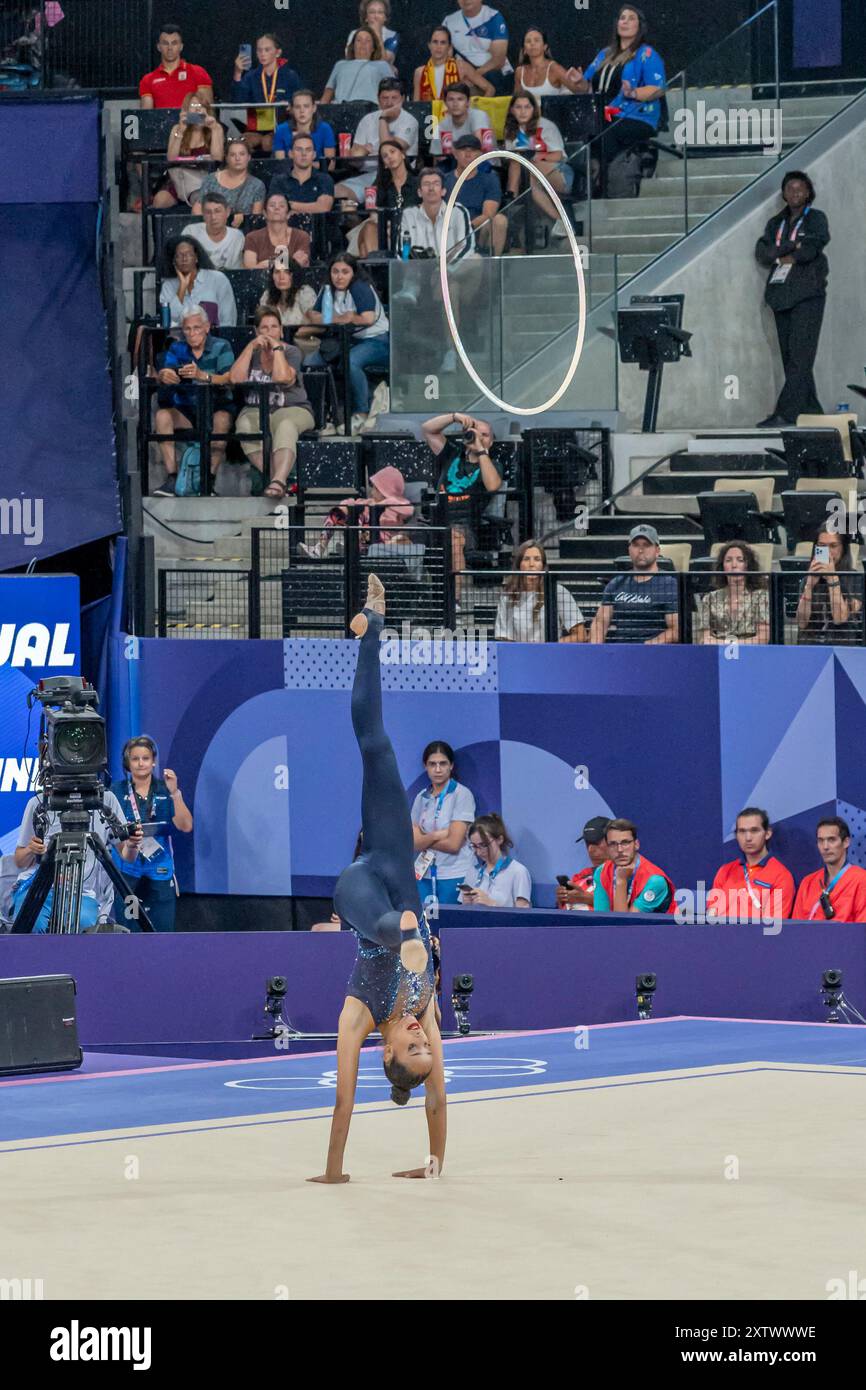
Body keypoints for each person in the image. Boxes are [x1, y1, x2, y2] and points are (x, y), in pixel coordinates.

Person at [310, 576, 446, 1183]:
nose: (421, 1038)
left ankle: (403, 931)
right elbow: (438, 1100)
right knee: (378, 746)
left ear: (386, 1052)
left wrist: (334, 1173)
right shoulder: (424, 1007)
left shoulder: (359, 1018)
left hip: (364, 896)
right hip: (396, 865)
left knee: (389, 926)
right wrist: (433, 1165)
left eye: (412, 1047)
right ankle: (373, 625)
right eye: (427, 1047)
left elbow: (343, 1103)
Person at [754, 171, 830, 427]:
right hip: (780, 296)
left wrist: (792, 250)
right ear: (784, 194)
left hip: (807, 295)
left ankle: (786, 413)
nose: (795, 193)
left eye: (800, 188)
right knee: (791, 359)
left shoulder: (815, 218)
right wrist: (789, 248)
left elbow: (812, 248)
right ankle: (811, 411)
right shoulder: (776, 222)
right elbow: (763, 252)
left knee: (801, 356)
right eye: (790, 188)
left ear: (808, 192)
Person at [11, 789, 142, 933]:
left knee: (83, 930)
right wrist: (31, 849)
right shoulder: (38, 802)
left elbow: (128, 856)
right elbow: (19, 860)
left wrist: (131, 845)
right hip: (37, 888)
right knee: (30, 928)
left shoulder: (106, 799)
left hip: (82, 892)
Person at [567, 5, 666, 195]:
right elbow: (586, 87)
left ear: (640, 26)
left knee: (605, 130)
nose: (625, 21)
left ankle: (600, 182)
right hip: (605, 116)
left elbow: (657, 88)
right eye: (622, 18)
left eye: (631, 18)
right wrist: (578, 83)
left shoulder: (646, 54)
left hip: (637, 117)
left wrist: (634, 93)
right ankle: (591, 175)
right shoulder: (605, 54)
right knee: (584, 128)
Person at [229, 307, 315, 500]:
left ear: (281, 330)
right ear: (257, 332)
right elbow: (235, 378)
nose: (269, 332)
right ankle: (276, 478)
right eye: (264, 328)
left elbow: (282, 377)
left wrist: (276, 349)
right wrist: (250, 348)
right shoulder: (250, 353)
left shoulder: (292, 352)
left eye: (274, 327)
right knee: (244, 425)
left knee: (285, 426)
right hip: (256, 409)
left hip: (293, 408)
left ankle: (278, 481)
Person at [110, 736, 193, 934]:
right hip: (128, 869)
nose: (141, 763)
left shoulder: (165, 789)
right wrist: (127, 846)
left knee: (162, 932)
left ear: (153, 761)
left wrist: (175, 792)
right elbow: (112, 833)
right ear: (127, 763)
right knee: (129, 932)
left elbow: (186, 825)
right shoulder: (116, 791)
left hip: (160, 868)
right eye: (135, 759)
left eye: (145, 758)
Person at [152, 303, 236, 497]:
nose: (192, 333)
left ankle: (208, 481)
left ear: (206, 327)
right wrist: (165, 374)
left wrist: (202, 375)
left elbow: (229, 378)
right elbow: (167, 369)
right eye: (187, 329)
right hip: (187, 409)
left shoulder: (221, 346)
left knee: (221, 421)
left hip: (217, 406)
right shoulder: (177, 348)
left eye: (196, 328)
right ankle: (172, 478)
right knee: (163, 416)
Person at [304, 253, 390, 436]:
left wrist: (333, 319)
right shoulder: (328, 289)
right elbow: (314, 316)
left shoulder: (359, 287)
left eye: (345, 272)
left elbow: (367, 318)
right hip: (343, 340)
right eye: (335, 271)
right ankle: (320, 416)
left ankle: (361, 412)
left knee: (351, 361)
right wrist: (345, 318)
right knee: (311, 363)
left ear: (353, 273)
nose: (339, 276)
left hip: (376, 340)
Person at [422, 410, 502, 580]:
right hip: (436, 521)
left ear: (492, 441)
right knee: (400, 539)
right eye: (476, 433)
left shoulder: (493, 465)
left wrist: (480, 450)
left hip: (466, 527)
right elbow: (428, 429)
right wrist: (454, 417)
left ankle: (455, 602)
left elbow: (493, 485)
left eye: (485, 435)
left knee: (454, 539)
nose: (479, 437)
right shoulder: (452, 454)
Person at [410, 740, 476, 906]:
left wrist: (425, 838)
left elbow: (454, 844)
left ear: (451, 766)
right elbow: (414, 843)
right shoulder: (421, 797)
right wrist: (438, 834)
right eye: (432, 764)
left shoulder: (462, 794)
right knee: (425, 927)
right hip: (424, 873)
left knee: (449, 927)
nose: (437, 769)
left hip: (455, 873)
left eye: (443, 764)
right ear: (425, 766)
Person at [334, 77, 419, 205]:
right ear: (378, 99)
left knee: (376, 201)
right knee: (336, 192)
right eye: (385, 98)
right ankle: (358, 222)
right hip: (368, 175)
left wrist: (383, 118)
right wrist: (361, 151)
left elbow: (388, 148)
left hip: (396, 176)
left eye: (394, 98)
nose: (389, 103)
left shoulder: (409, 121)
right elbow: (355, 156)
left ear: (402, 99)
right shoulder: (367, 120)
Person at [299, 465, 413, 560]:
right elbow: (354, 503)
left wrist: (381, 503)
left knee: (366, 520)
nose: (372, 491)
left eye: (376, 488)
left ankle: (352, 548)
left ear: (385, 490)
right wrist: (345, 507)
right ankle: (319, 548)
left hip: (381, 544)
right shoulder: (369, 501)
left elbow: (408, 510)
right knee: (338, 513)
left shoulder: (397, 505)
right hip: (362, 540)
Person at [589, 524, 679, 644]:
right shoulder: (616, 582)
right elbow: (600, 622)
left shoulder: (669, 584)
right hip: (620, 651)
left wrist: (647, 646)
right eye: (636, 545)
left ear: (657, 551)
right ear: (629, 550)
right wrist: (596, 649)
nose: (641, 550)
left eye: (646, 545)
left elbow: (676, 630)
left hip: (655, 652)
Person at [708, 807, 795, 924]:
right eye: (742, 831)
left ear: (767, 833)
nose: (748, 838)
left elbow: (771, 926)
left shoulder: (782, 876)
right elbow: (711, 915)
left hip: (755, 940)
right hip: (719, 938)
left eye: (754, 831)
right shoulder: (725, 871)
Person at [503, 92, 573, 234]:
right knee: (519, 165)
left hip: (558, 171)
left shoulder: (546, 126)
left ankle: (512, 202)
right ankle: (512, 201)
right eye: (518, 107)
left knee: (529, 165)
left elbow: (558, 155)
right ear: (512, 110)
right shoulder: (510, 130)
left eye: (527, 107)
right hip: (530, 176)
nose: (523, 112)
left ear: (534, 109)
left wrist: (535, 157)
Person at [495, 539, 585, 642]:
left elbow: (580, 635)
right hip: (520, 653)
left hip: (549, 654)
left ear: (543, 565)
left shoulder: (557, 592)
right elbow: (504, 639)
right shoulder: (508, 596)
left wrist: (552, 646)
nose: (531, 564)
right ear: (519, 565)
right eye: (526, 559)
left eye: (537, 559)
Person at [230, 32, 302, 153]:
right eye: (259, 50)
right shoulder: (251, 76)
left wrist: (291, 105)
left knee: (268, 142)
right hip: (256, 128)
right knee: (240, 143)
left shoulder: (290, 76)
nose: (262, 54)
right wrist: (237, 73)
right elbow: (238, 101)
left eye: (267, 50)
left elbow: (300, 100)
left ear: (278, 52)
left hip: (280, 126)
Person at [152, 92, 224, 209]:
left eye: (200, 106)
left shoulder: (215, 128)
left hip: (201, 180)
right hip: (179, 180)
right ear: (186, 110)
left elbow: (217, 157)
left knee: (199, 202)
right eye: (193, 106)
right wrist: (180, 132)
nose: (197, 110)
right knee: (159, 201)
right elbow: (171, 158)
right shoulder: (177, 129)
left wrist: (213, 128)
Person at [695, 540, 770, 646]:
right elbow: (704, 639)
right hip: (718, 654)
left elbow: (763, 638)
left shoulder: (761, 597)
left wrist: (727, 643)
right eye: (728, 560)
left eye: (740, 560)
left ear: (747, 565)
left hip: (751, 654)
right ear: (723, 566)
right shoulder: (710, 599)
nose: (734, 565)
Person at [593, 818, 675, 914]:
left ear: (636, 844)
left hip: (660, 928)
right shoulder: (601, 872)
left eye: (625, 842)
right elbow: (601, 918)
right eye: (613, 844)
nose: (619, 849)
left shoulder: (655, 881)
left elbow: (627, 925)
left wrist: (621, 882)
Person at [792, 818, 866, 923]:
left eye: (831, 840)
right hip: (807, 938)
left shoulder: (861, 880)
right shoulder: (807, 882)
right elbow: (795, 928)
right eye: (820, 841)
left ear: (846, 842)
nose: (825, 847)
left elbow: (862, 930)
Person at [796, 529, 862, 645]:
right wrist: (809, 586)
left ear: (843, 548)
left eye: (833, 546)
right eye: (822, 546)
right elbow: (802, 622)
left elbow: (840, 618)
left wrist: (832, 578)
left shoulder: (855, 578)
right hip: (811, 646)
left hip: (842, 646)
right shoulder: (808, 579)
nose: (828, 552)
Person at [444, 134, 507, 255]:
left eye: (473, 150)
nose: (468, 154)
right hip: (448, 232)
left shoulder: (490, 179)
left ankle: (492, 268)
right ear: (455, 153)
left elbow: (488, 214)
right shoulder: (444, 180)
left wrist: (466, 229)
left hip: (476, 230)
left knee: (500, 220)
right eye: (463, 150)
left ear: (480, 155)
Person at [356, 140, 419, 258]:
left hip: (412, 229)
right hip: (387, 231)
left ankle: (379, 270)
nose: (390, 157)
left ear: (402, 154)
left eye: (392, 152)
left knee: (365, 249)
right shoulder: (381, 186)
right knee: (369, 228)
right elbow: (374, 215)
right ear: (384, 164)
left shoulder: (417, 182)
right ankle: (377, 268)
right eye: (385, 156)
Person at [158, 235, 237, 328]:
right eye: (179, 256)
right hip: (181, 338)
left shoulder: (218, 279)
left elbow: (228, 320)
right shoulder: (168, 286)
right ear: (173, 261)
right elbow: (171, 320)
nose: (184, 259)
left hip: (214, 339)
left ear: (196, 258)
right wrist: (182, 287)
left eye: (188, 254)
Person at [398, 166, 475, 259]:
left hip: (453, 269)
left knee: (475, 258)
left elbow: (466, 247)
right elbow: (402, 251)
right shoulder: (408, 215)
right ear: (419, 192)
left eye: (436, 184)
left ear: (443, 191)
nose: (431, 188)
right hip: (418, 269)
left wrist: (445, 270)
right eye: (426, 184)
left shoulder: (458, 212)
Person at [442, 0, 513, 97]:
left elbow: (498, 59)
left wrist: (473, 76)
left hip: (491, 76)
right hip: (463, 80)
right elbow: (444, 56)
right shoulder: (448, 21)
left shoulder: (494, 17)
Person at [190, 139, 266, 227]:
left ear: (249, 157)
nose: (237, 158)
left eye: (242, 154)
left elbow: (255, 219)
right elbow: (197, 209)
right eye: (233, 155)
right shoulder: (210, 180)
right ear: (226, 158)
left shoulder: (257, 185)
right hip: (210, 228)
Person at [460, 814, 531, 907]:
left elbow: (523, 917)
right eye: (474, 846)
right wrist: (466, 904)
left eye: (484, 845)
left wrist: (492, 904)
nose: (479, 852)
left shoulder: (518, 872)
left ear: (500, 840)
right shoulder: (472, 871)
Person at [139, 24, 213, 109]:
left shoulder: (198, 72)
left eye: (174, 43)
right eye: (165, 43)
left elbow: (207, 111)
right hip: (162, 122)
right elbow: (146, 115)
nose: (170, 48)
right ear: (158, 47)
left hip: (191, 121)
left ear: (181, 46)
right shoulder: (148, 80)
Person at [414, 26, 493, 100]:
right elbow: (416, 105)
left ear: (449, 47)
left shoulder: (461, 67)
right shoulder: (420, 72)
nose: (438, 46)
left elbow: (490, 89)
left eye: (443, 42)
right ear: (429, 45)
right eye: (435, 42)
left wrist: (476, 110)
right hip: (430, 115)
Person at [320, 26, 394, 105]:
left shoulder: (382, 65)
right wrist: (319, 114)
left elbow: (393, 91)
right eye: (359, 40)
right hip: (342, 110)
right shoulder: (340, 65)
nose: (363, 43)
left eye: (368, 41)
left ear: (373, 48)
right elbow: (328, 93)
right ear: (353, 46)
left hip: (370, 111)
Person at [258, 262, 319, 354]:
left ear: (294, 275)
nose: (281, 277)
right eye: (277, 272)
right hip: (274, 347)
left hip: (303, 346)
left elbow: (320, 325)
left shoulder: (304, 293)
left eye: (287, 272)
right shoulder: (267, 296)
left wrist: (299, 332)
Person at [269, 133, 335, 217]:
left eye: (308, 150)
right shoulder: (279, 181)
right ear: (290, 153)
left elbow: (323, 207)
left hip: (318, 228)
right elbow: (275, 209)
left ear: (314, 155)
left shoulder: (325, 179)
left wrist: (290, 205)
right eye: (299, 149)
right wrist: (311, 207)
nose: (304, 153)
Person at [242, 191, 312, 269]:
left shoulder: (301, 236)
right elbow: (250, 269)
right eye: (272, 205)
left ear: (288, 214)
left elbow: (300, 263)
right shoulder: (252, 237)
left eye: (282, 206)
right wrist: (289, 261)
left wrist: (269, 263)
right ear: (265, 213)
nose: (277, 208)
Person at [557, 817, 611, 910]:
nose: (590, 850)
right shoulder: (580, 878)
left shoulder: (626, 876)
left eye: (596, 843)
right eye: (588, 843)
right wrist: (561, 899)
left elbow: (632, 913)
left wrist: (589, 899)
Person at [514, 26, 584, 98]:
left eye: (536, 40)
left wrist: (582, 83)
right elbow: (516, 101)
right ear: (524, 50)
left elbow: (581, 92)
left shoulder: (554, 69)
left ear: (545, 47)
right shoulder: (519, 72)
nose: (532, 43)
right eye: (528, 41)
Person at [182, 191, 245, 269]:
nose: (213, 217)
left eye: (217, 211)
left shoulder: (237, 237)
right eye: (208, 212)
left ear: (228, 212)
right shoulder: (191, 232)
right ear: (203, 214)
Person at [273, 90, 336, 167]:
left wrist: (302, 164)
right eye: (297, 107)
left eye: (306, 106)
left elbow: (331, 166)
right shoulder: (281, 130)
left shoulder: (325, 129)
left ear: (314, 108)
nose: (302, 111)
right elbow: (281, 165)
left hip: (318, 176)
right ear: (291, 109)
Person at [430, 80, 490, 155]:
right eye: (451, 99)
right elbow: (441, 158)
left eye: (460, 99)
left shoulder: (480, 116)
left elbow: (481, 148)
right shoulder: (442, 126)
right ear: (445, 103)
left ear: (468, 102)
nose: (455, 104)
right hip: (456, 164)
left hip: (486, 163)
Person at [346, 1, 399, 65]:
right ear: (366, 17)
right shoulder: (355, 33)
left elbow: (383, 63)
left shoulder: (392, 35)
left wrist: (378, 33)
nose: (376, 16)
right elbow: (349, 59)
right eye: (372, 12)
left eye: (380, 12)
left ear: (385, 17)